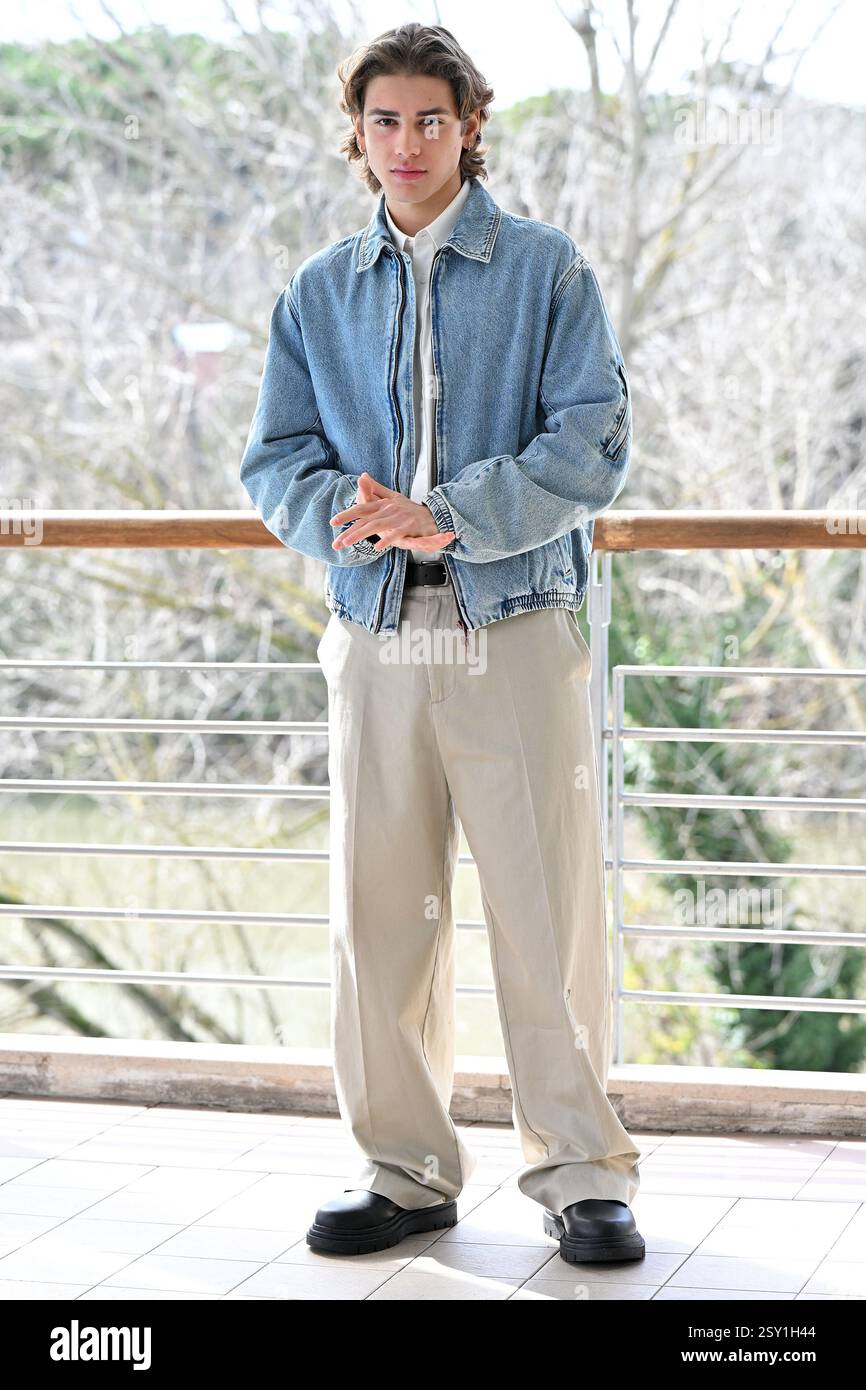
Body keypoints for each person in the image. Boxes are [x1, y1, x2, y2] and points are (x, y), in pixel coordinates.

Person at [239, 22, 644, 1267]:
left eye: (429, 119)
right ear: (355, 136)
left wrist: (452, 514)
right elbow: (275, 459)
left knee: (543, 907)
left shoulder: (544, 269)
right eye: (382, 122)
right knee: (379, 914)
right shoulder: (316, 288)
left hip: (513, 624)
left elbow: (592, 444)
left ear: (470, 124)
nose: (405, 143)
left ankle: (579, 1173)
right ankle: (405, 1171)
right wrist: (344, 520)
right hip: (373, 631)